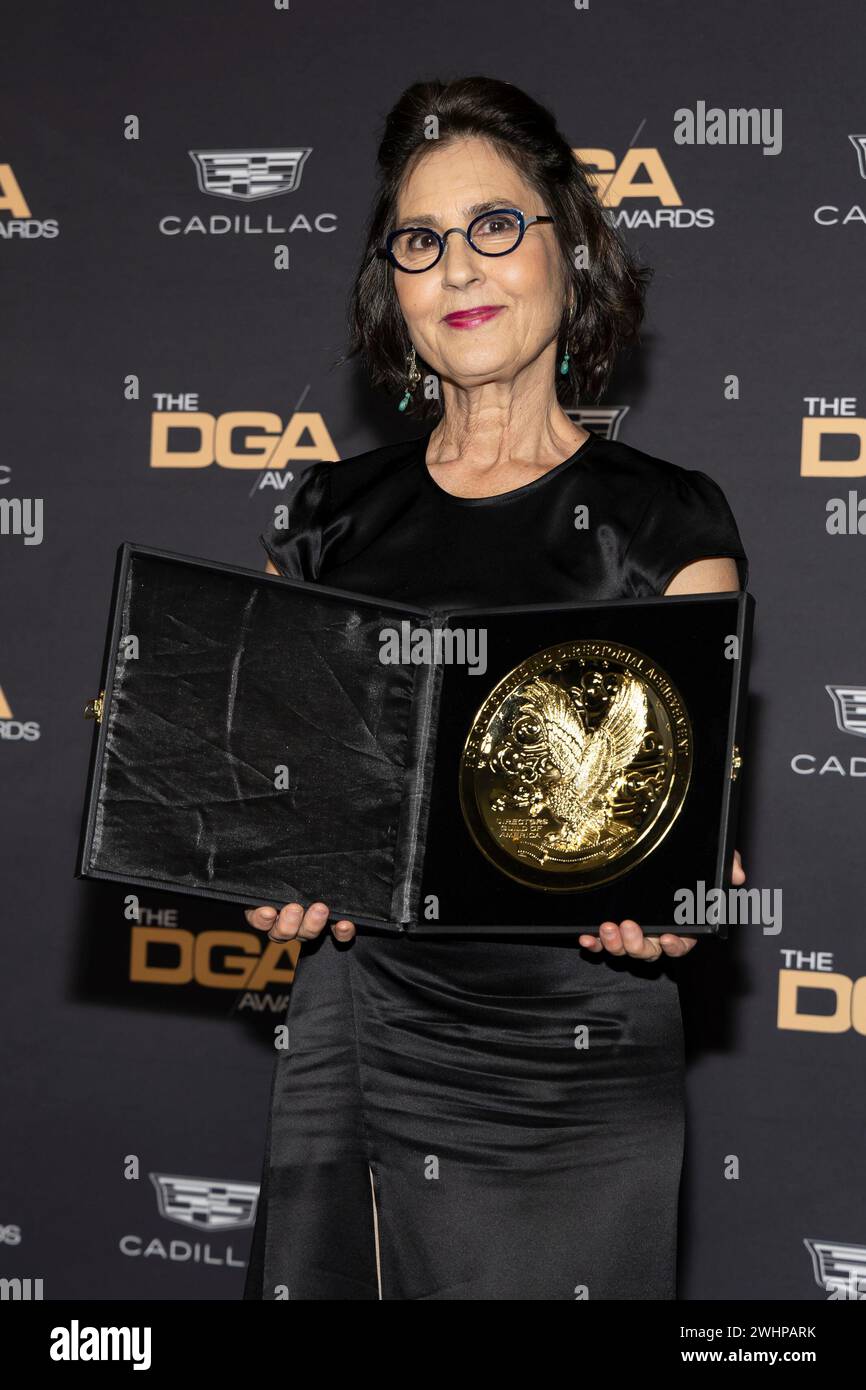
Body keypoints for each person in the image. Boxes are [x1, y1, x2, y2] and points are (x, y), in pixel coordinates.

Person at [242, 75, 749, 1301]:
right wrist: (258, 874)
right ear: (390, 284)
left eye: (493, 226)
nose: (457, 268)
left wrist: (688, 903)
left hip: (565, 1070)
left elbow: (708, 866)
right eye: (419, 241)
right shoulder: (327, 517)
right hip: (355, 1025)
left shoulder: (663, 520)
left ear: (567, 254)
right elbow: (268, 792)